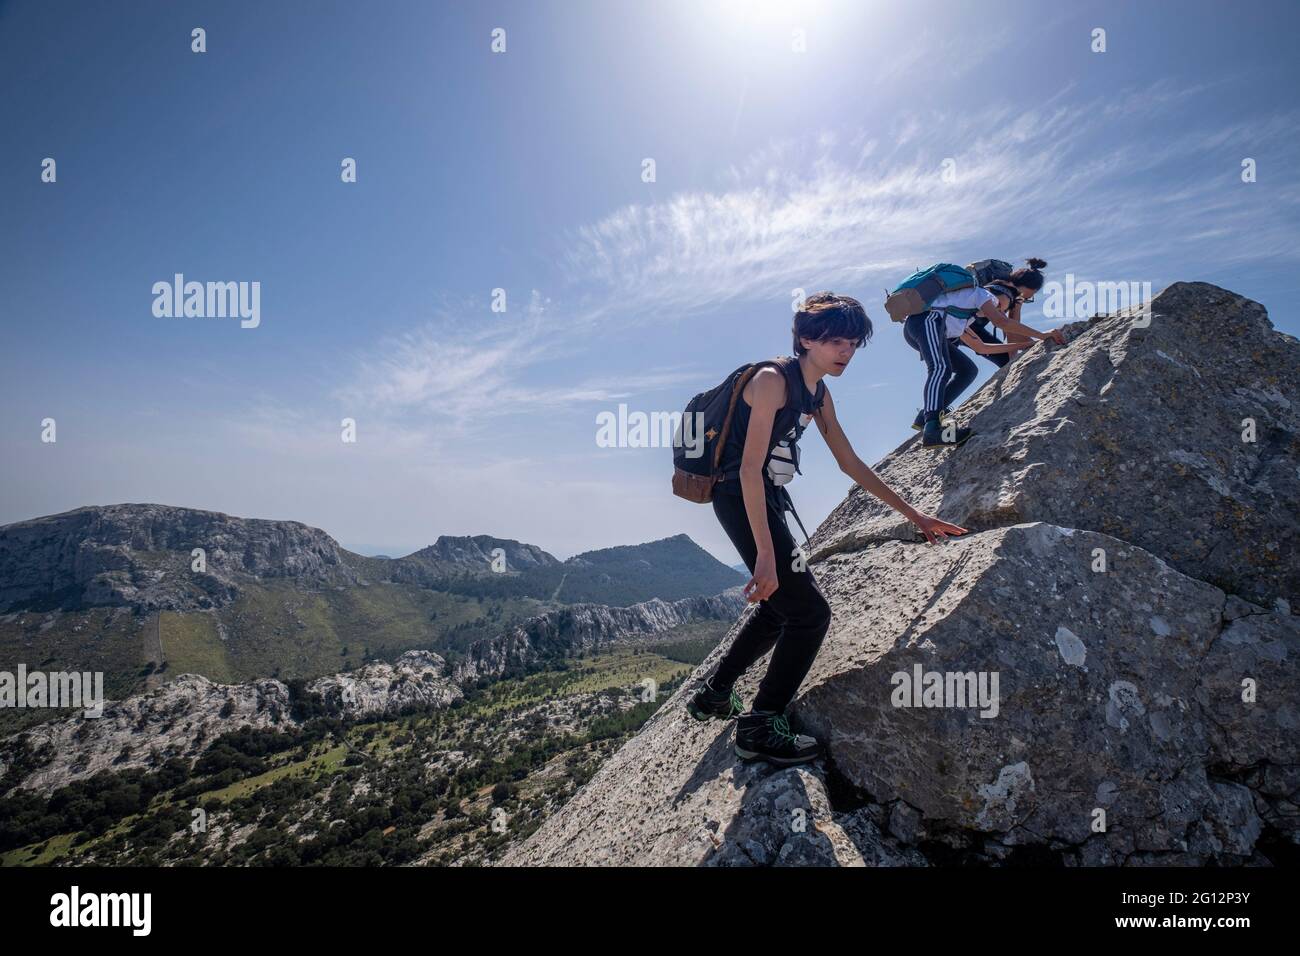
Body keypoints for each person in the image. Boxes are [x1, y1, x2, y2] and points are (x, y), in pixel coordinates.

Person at [686, 292, 968, 765]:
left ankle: (715, 693)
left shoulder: (817, 392)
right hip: (739, 494)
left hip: (762, 496)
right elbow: (751, 467)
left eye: (853, 343)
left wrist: (914, 515)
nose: (845, 352)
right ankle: (759, 727)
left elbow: (849, 462)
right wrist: (765, 554)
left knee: (781, 609)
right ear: (804, 339)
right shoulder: (773, 380)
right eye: (835, 341)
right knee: (811, 613)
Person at [958, 258, 1065, 371]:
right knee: (965, 371)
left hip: (965, 324)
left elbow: (1011, 329)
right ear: (1025, 287)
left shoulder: (1001, 289)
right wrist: (1040, 336)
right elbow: (1005, 325)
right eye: (1028, 296)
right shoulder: (1002, 296)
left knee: (967, 371)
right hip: (961, 325)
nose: (1025, 299)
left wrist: (1012, 362)